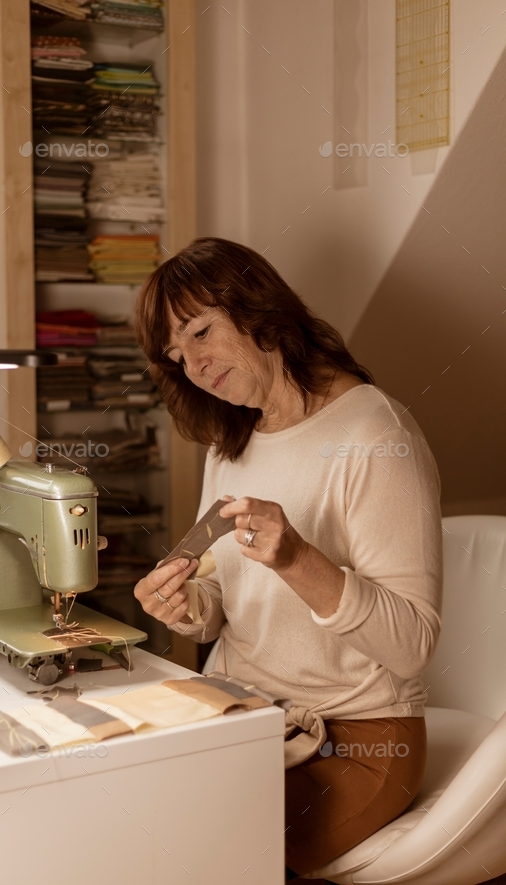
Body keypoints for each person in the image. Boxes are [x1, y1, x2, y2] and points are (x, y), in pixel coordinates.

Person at [133, 237, 442, 880]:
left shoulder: (375, 436)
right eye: (177, 356)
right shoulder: (230, 441)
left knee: (183, 852)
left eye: (200, 332)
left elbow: (413, 644)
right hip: (240, 717)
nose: (195, 365)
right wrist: (184, 605)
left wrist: (298, 557)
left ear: (259, 308)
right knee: (112, 803)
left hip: (355, 742)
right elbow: (223, 605)